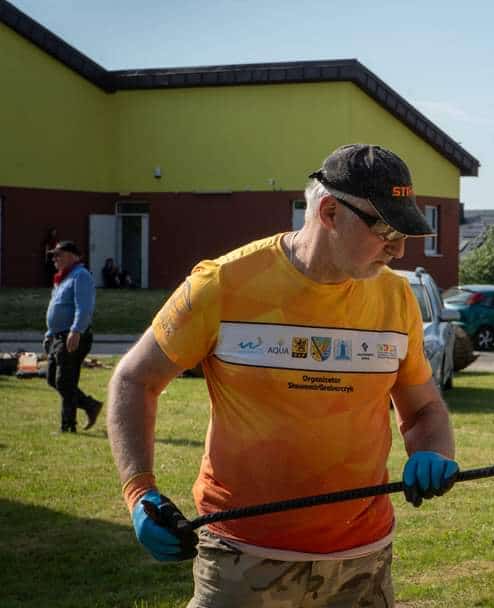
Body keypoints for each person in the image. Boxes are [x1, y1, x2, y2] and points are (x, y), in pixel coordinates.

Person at [106, 144, 458, 607]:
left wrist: (432, 451)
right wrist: (138, 491)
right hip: (242, 557)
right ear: (330, 212)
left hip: (363, 563)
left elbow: (424, 409)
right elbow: (135, 379)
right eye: (386, 229)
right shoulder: (223, 284)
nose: (398, 249)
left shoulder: (396, 298)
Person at [44, 240, 103, 432]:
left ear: (73, 256)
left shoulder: (81, 275)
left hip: (73, 335)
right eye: (53, 255)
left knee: (64, 381)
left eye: (58, 254)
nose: (54, 258)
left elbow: (84, 307)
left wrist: (76, 330)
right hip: (58, 336)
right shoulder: (62, 278)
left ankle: (68, 425)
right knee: (53, 379)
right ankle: (90, 405)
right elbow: (56, 309)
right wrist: (49, 334)